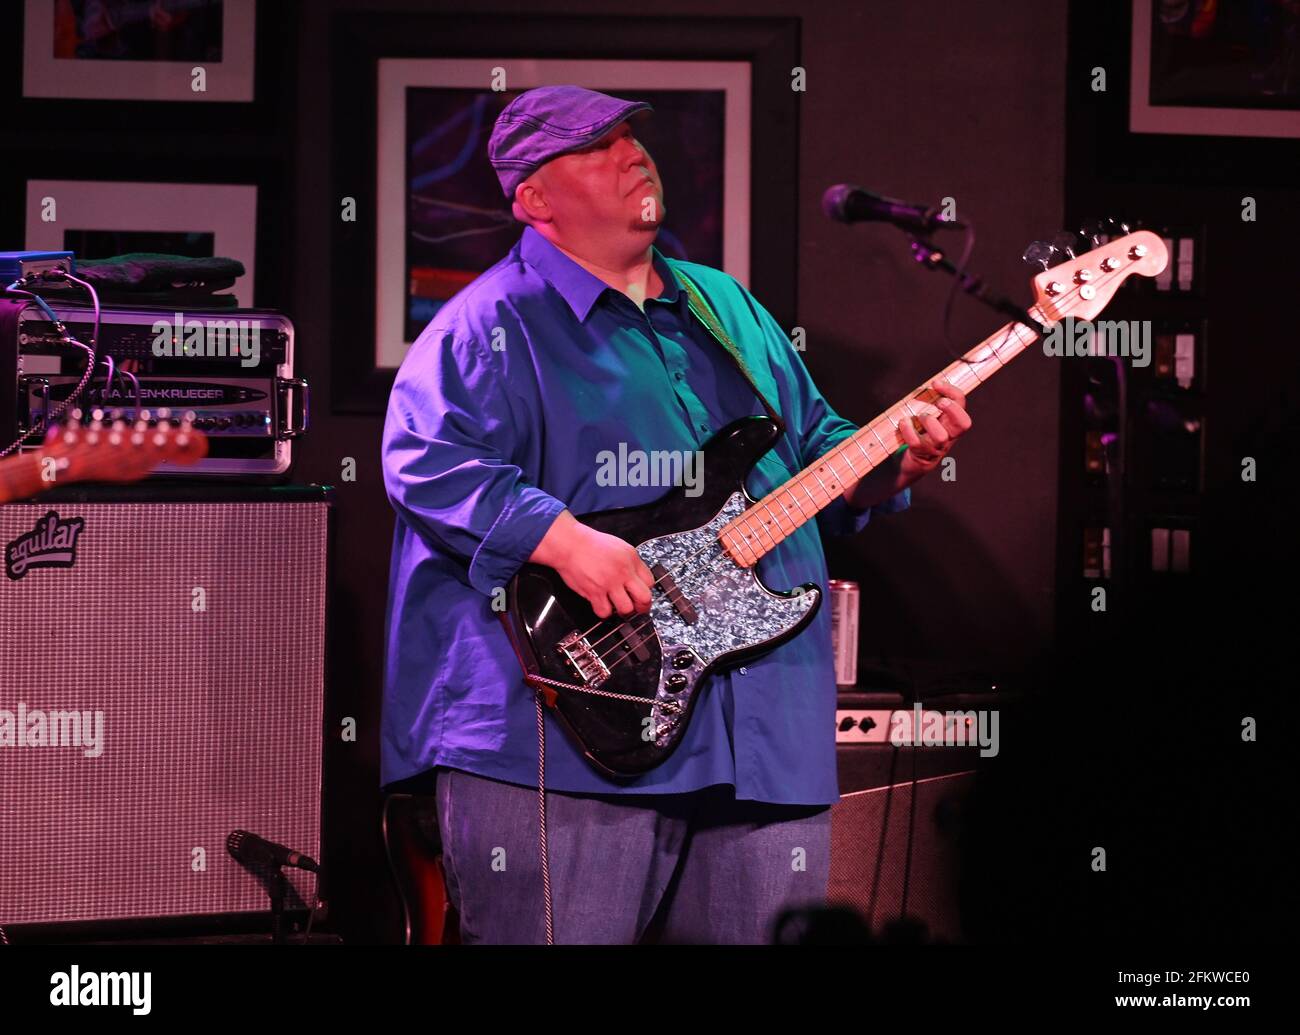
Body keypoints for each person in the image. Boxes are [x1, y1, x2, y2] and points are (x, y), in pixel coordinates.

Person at [380, 85, 971, 945]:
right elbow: (423, 458)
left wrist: (893, 464)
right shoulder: (486, 325)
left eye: (633, 137)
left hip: (763, 741)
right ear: (533, 199)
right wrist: (563, 538)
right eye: (597, 146)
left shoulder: (725, 308)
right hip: (568, 740)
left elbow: (818, 455)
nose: (633, 155)